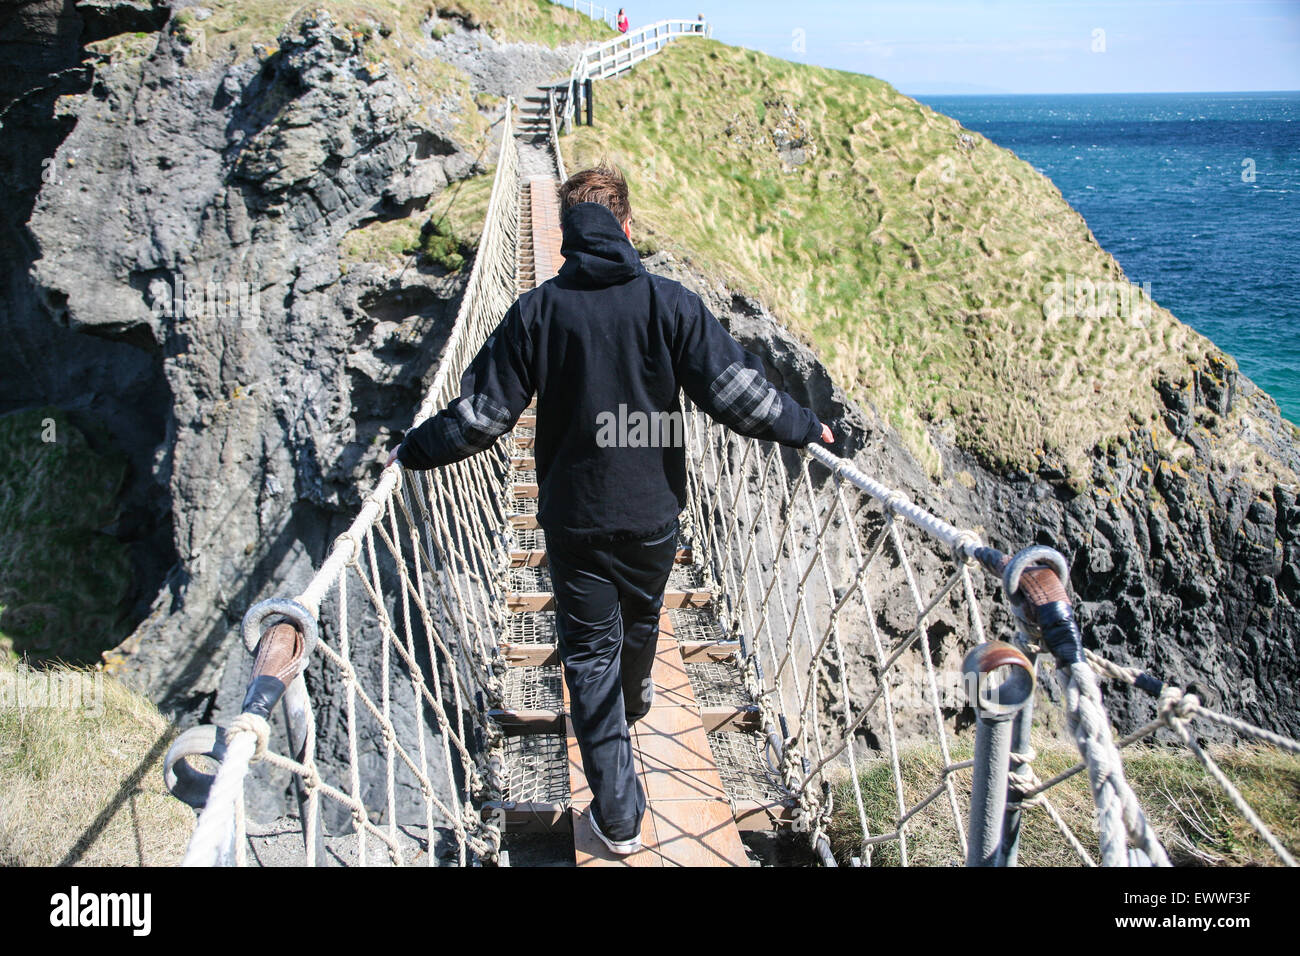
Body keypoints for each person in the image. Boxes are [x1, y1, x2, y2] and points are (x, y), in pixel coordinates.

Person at [388, 165, 832, 856]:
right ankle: (635, 700)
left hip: (573, 518)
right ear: (627, 228)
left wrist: (413, 451)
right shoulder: (669, 303)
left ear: (568, 235)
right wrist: (805, 424)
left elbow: (482, 416)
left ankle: (619, 816)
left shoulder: (537, 312)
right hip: (654, 513)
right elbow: (737, 394)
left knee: (588, 653)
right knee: (644, 615)